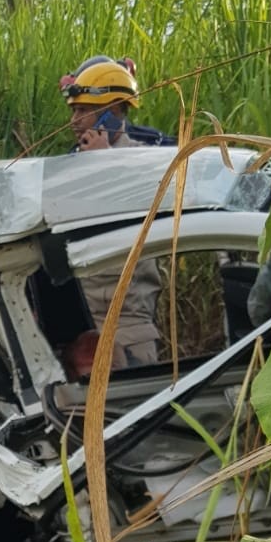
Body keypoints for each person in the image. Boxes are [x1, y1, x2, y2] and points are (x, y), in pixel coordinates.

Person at [61, 55, 174, 369]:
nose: (74, 120)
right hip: (83, 326)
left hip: (126, 327)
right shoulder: (70, 165)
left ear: (112, 111)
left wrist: (107, 163)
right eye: (73, 111)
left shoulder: (145, 160)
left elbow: (149, 202)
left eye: (83, 110)